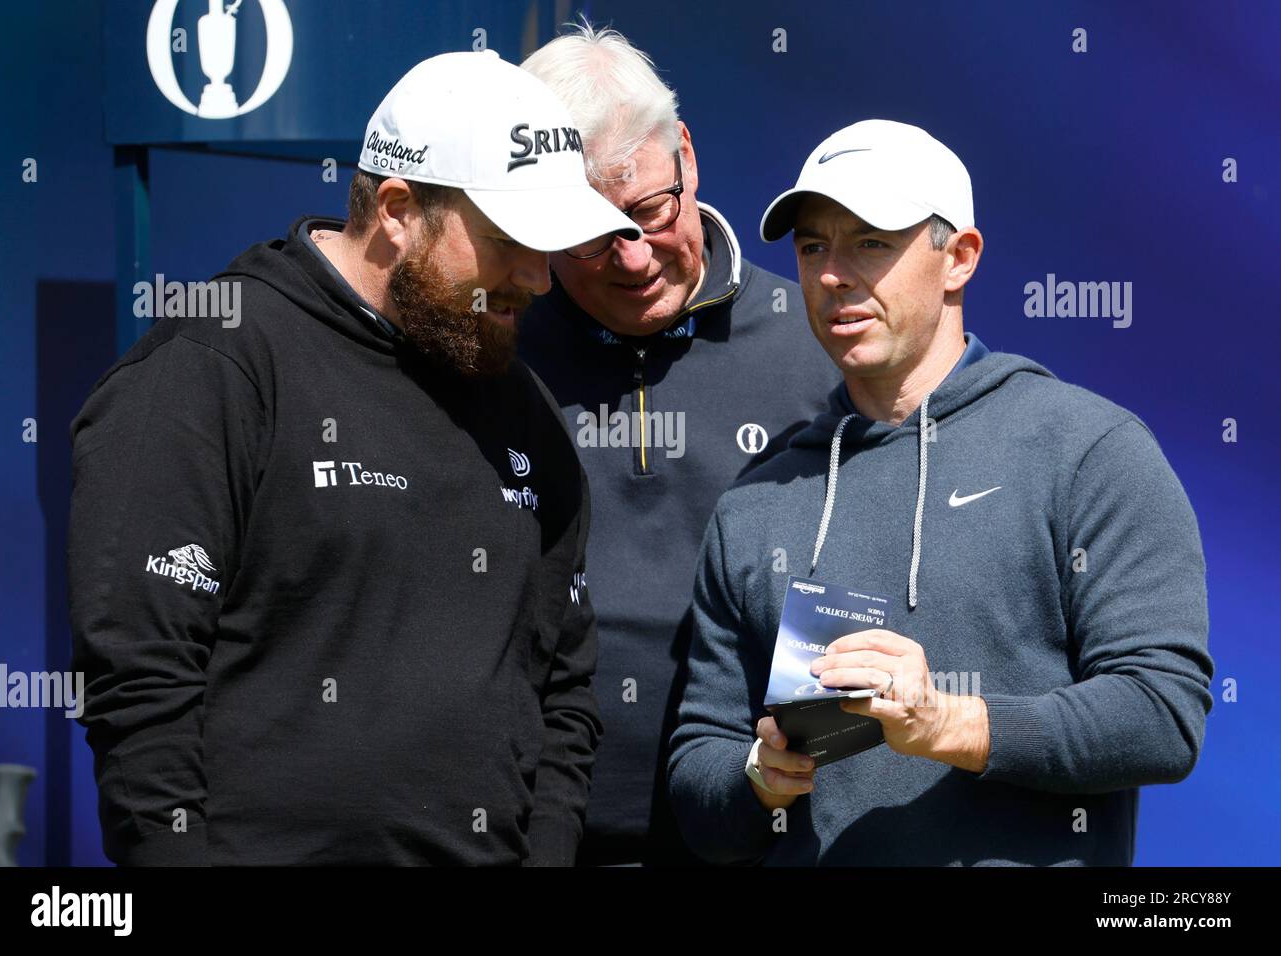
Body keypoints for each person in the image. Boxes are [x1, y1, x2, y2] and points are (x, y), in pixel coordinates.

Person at [68, 50, 642, 866]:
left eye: (549, 246)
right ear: (400, 209)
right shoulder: (216, 367)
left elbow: (563, 687)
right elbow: (139, 685)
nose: (536, 278)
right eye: (509, 239)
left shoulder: (526, 409)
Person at [668, 119, 1214, 865]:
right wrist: (756, 778)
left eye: (870, 243)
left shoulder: (1086, 450)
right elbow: (700, 761)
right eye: (812, 246)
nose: (833, 276)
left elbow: (1161, 712)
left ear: (958, 257)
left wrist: (949, 726)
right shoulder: (760, 500)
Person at [517, 23, 839, 865]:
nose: (628, 258)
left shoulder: (821, 346)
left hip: (773, 831)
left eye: (648, 212)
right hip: (538, 830)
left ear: (686, 157)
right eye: (585, 233)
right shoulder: (492, 357)